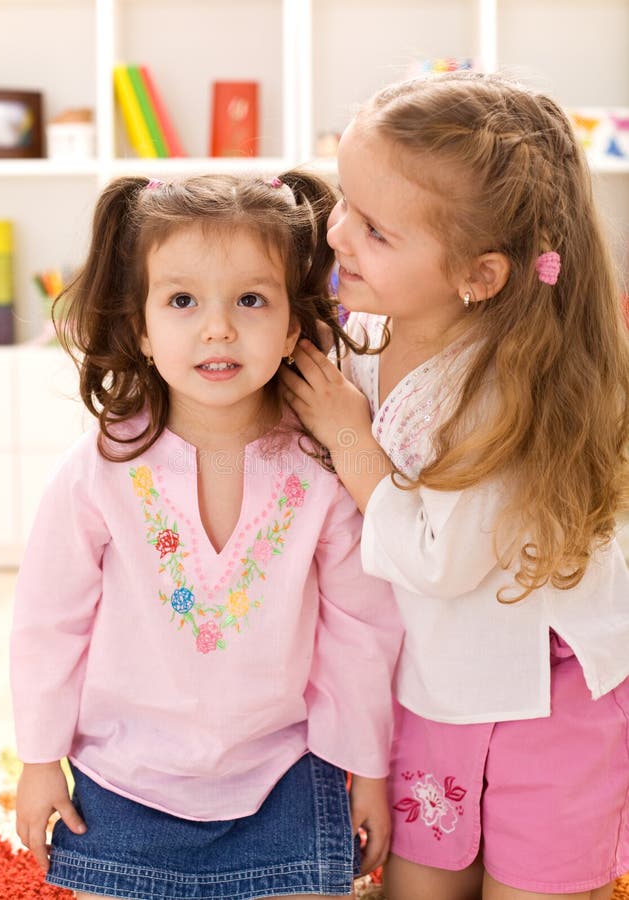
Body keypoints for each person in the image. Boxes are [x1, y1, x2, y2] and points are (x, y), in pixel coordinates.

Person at [281, 71, 629, 900]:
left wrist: (349, 442)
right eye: (344, 201)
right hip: (434, 689)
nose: (336, 235)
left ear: (478, 274)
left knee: (538, 884)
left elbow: (441, 560)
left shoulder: (503, 390)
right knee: (421, 880)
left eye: (374, 230)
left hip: (546, 699)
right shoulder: (367, 336)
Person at [10, 171, 404, 900]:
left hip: (286, 776)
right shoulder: (98, 469)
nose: (217, 328)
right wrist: (39, 761)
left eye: (250, 300)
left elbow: (361, 627)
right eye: (182, 300)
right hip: (122, 780)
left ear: (291, 325)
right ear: (140, 325)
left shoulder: (322, 470)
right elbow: (48, 623)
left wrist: (368, 770)